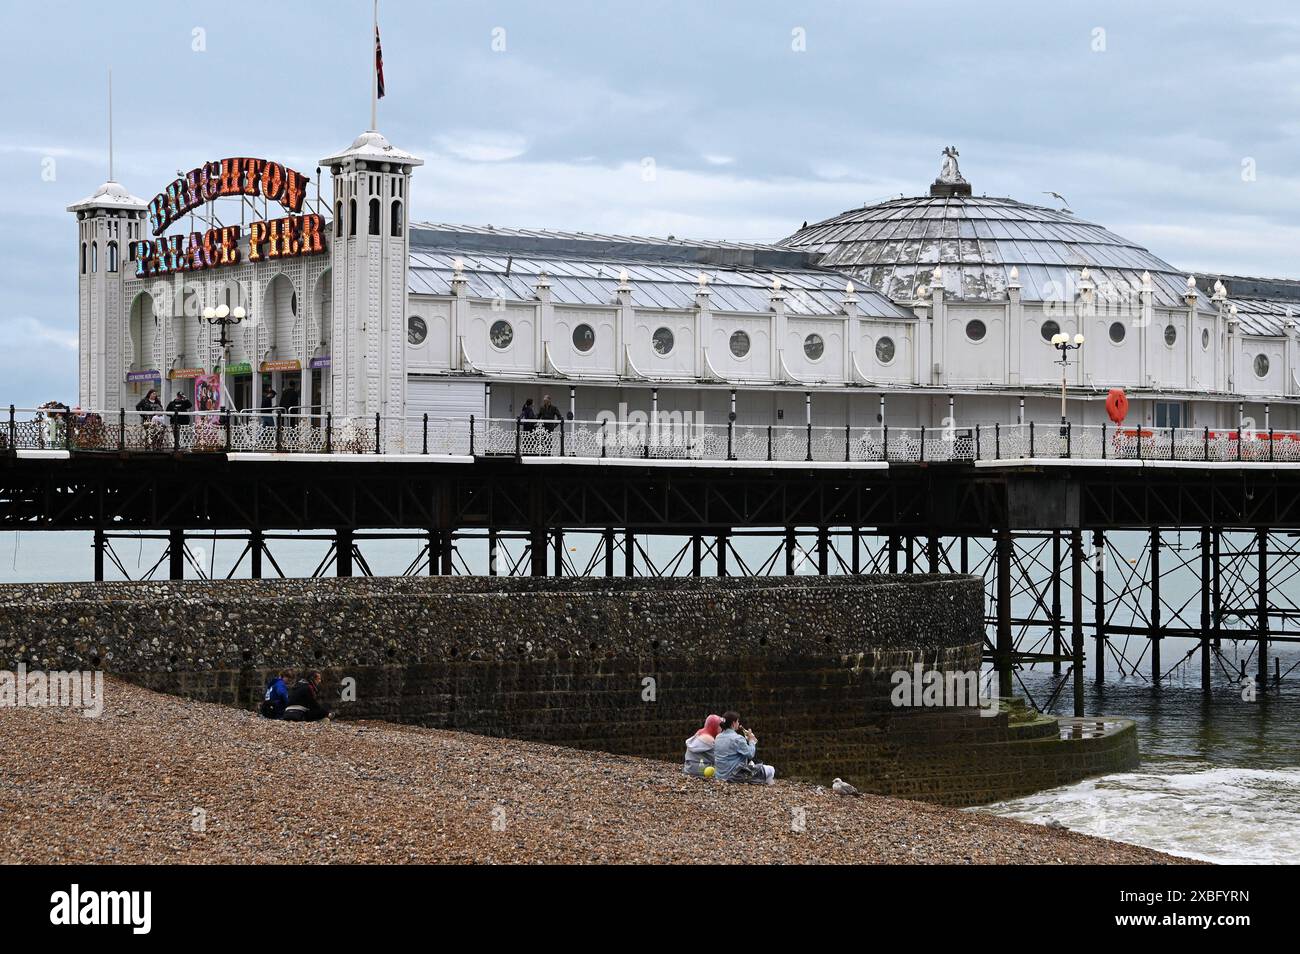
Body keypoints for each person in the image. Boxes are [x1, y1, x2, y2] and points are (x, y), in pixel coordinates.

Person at [713, 710, 776, 785]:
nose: (738, 723)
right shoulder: (737, 738)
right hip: (734, 775)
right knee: (771, 769)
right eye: (738, 721)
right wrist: (751, 740)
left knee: (753, 765)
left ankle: (760, 781)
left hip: (719, 776)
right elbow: (751, 754)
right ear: (733, 723)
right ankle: (764, 783)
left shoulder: (718, 737)